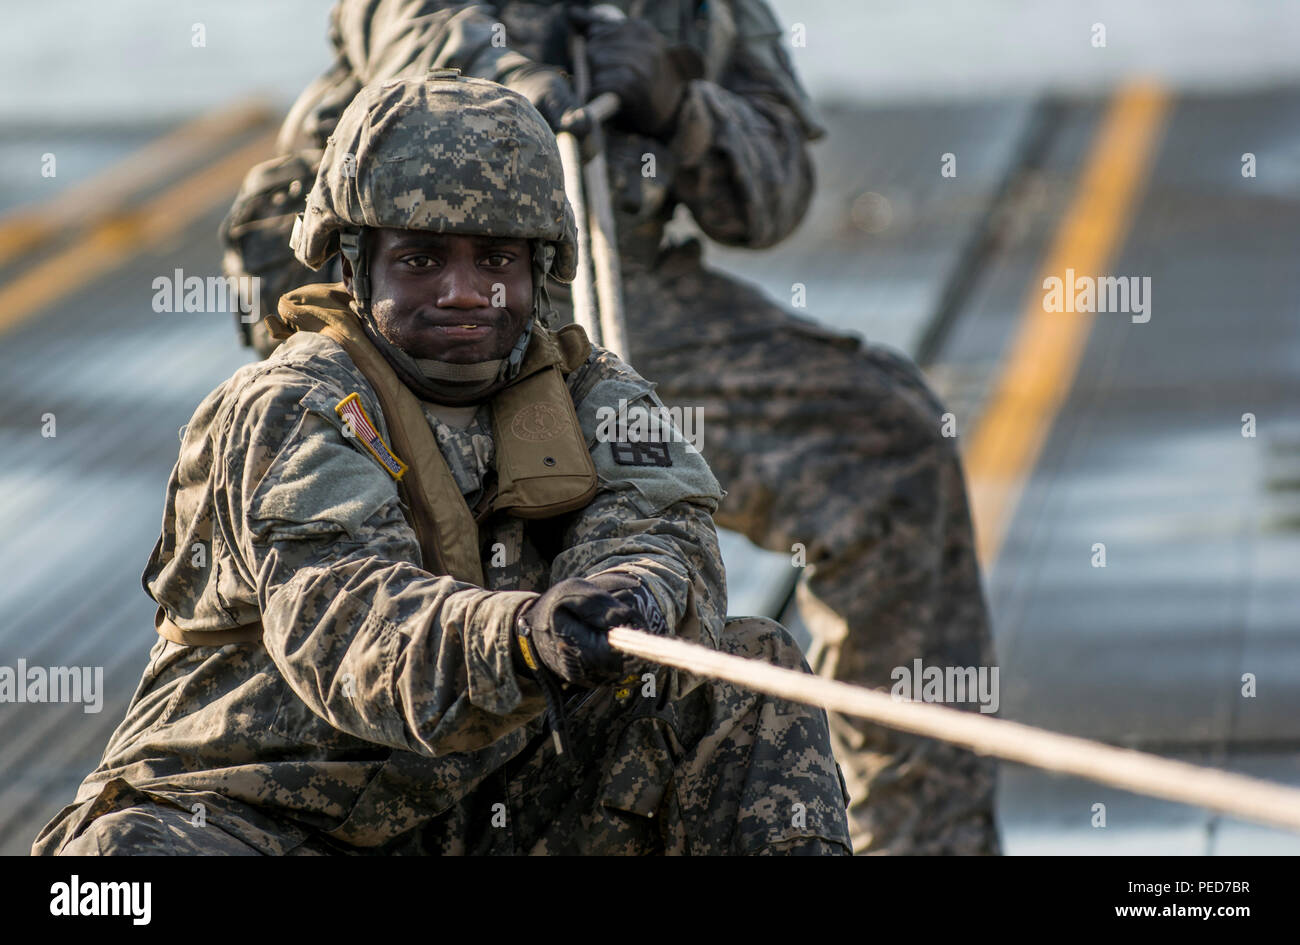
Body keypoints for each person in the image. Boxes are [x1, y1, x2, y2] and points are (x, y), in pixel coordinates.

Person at [221, 0, 999, 855]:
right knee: (342, 543)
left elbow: (770, 196)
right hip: (390, 284)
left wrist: (680, 105)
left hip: (588, 269)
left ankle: (926, 839)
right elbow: (410, 32)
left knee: (889, 449)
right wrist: (516, 90)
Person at [32, 72, 851, 856]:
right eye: (422, 260)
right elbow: (353, 630)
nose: (464, 291)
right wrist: (523, 635)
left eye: (495, 260)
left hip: (473, 809)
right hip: (257, 812)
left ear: (538, 270)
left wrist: (627, 593)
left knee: (751, 674)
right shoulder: (290, 406)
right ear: (356, 267)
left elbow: (666, 540)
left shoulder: (596, 396)